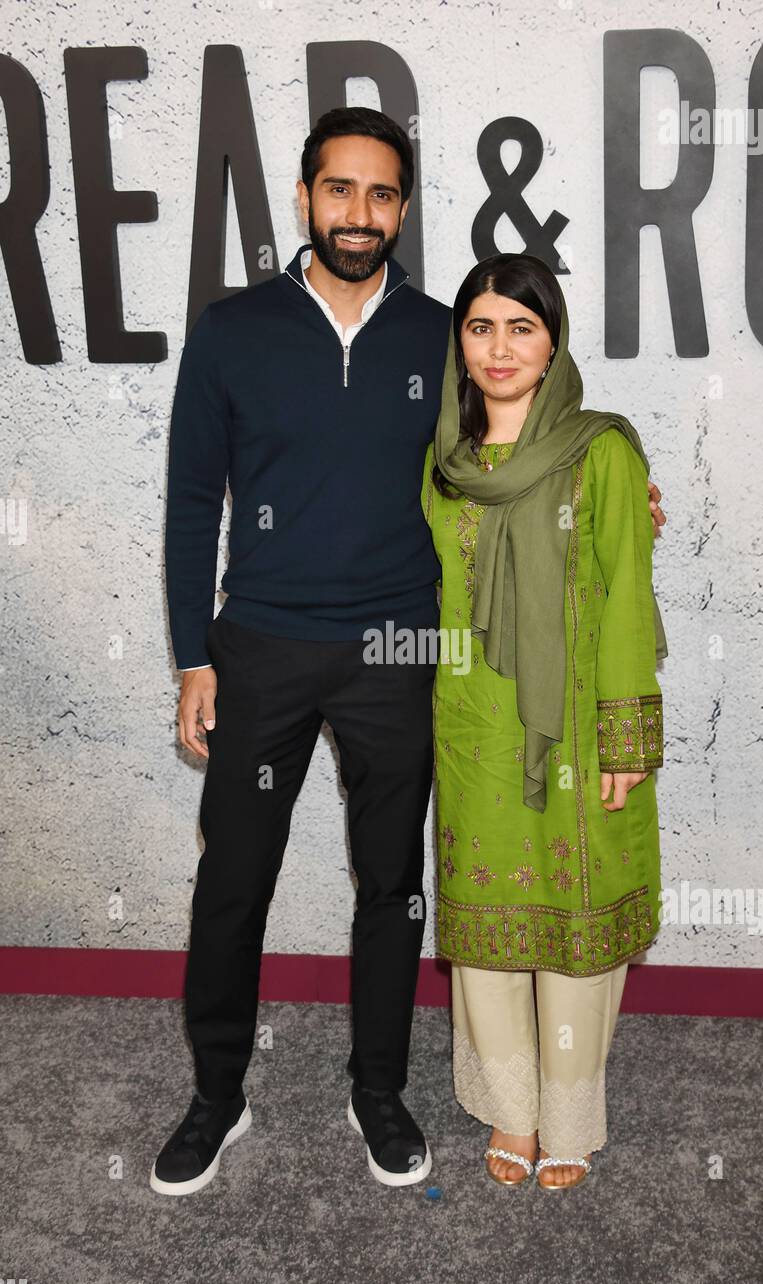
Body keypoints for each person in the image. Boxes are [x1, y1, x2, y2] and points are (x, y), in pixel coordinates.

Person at [154, 106, 667, 1197]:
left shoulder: (442, 331)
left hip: (402, 648)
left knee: (391, 884)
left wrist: (621, 488)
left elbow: (511, 446)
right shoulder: (231, 329)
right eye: (339, 190)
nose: (358, 213)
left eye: (381, 194)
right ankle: (215, 1095)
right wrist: (192, 654)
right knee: (233, 875)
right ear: (304, 199)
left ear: (401, 209)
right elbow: (194, 497)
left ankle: (378, 1091)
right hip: (261, 646)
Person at [422, 252, 668, 1190]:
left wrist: (624, 738)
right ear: (460, 343)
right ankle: (511, 1114)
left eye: (520, 327)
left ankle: (568, 1116)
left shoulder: (600, 450)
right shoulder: (443, 464)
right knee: (486, 927)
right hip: (473, 725)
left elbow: (623, 598)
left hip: (574, 722)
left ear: (552, 341)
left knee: (573, 925)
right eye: (480, 327)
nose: (498, 348)